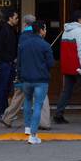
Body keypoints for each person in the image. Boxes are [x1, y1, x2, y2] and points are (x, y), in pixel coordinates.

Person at [16, 14, 53, 145]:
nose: (46, 31)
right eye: (45, 29)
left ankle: (27, 127)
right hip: (41, 80)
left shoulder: (23, 44)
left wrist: (20, 76)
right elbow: (51, 64)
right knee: (37, 105)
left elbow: (19, 63)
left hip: (26, 79)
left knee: (27, 101)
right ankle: (33, 135)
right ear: (41, 30)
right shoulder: (45, 45)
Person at [54, 9, 81, 124]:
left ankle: (58, 114)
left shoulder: (66, 32)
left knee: (66, 91)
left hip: (68, 67)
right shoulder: (80, 32)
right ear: (79, 20)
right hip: (79, 68)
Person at [0, 9, 20, 124]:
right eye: (16, 18)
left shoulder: (10, 30)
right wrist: (10, 59)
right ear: (10, 18)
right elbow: (0, 48)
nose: (17, 20)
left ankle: (4, 112)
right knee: (3, 88)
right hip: (6, 63)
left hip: (8, 63)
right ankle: (0, 113)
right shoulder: (5, 30)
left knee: (6, 88)